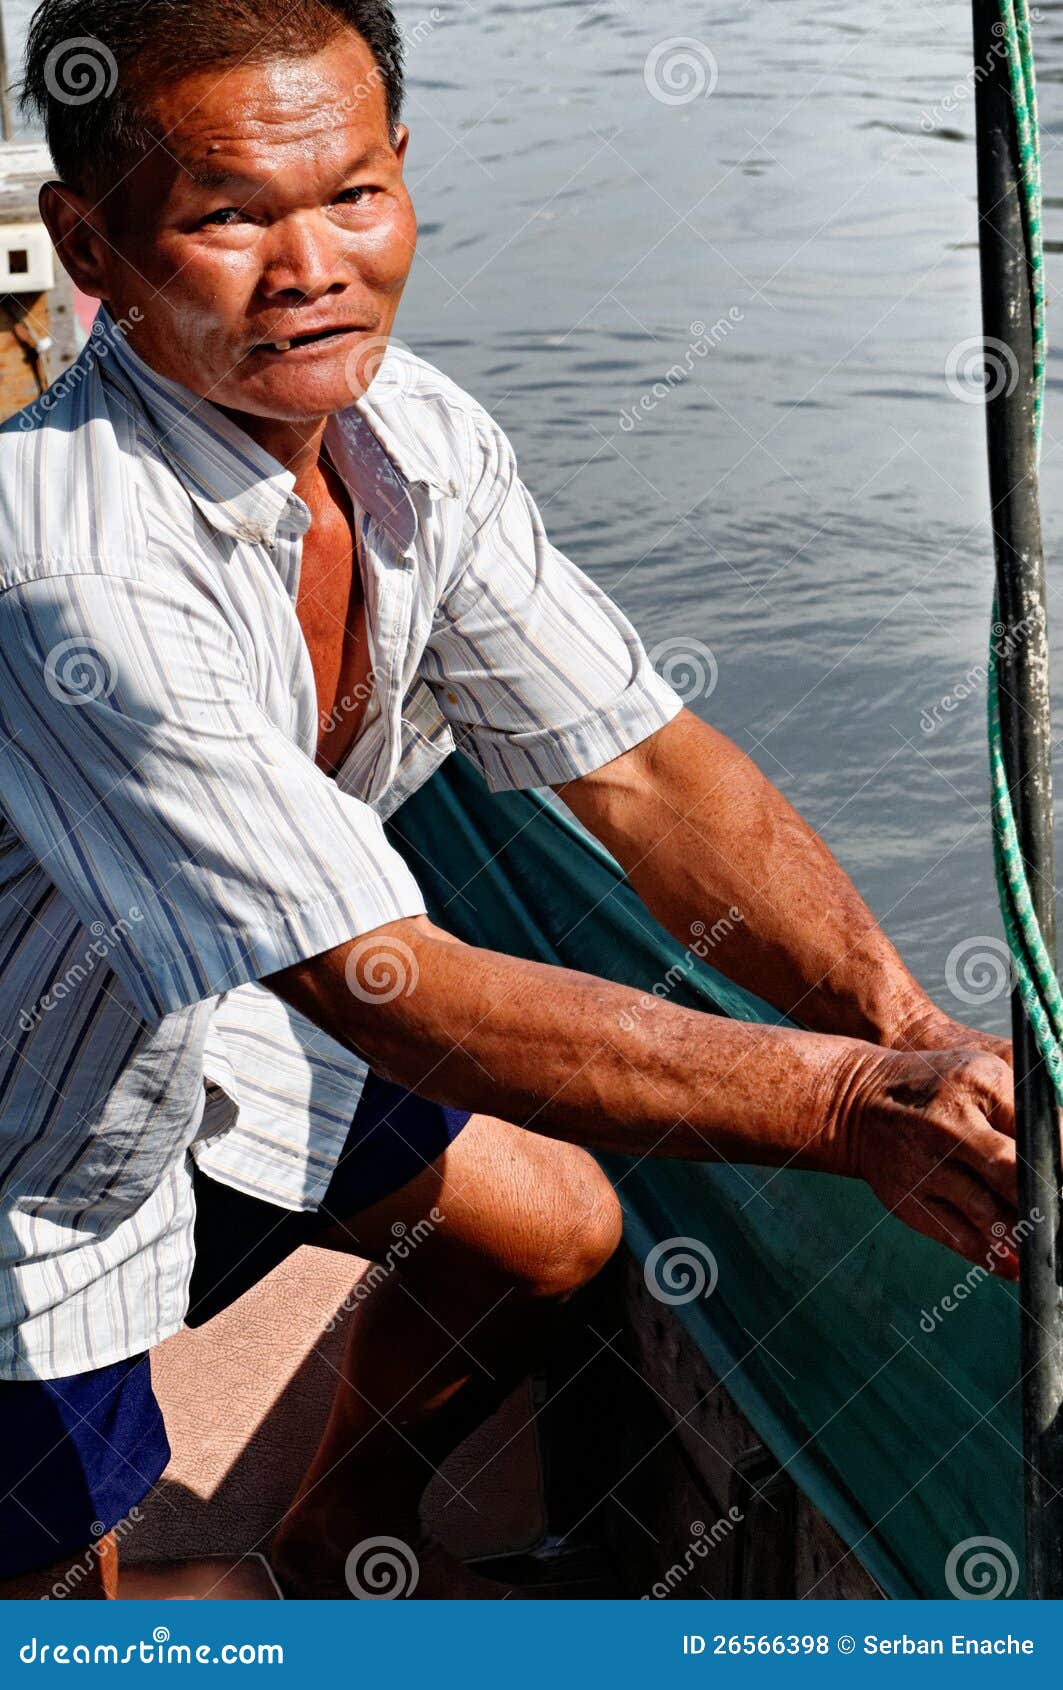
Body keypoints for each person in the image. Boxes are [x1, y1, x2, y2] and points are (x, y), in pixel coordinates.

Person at [0, 0, 1016, 1599]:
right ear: (93, 245)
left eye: (352, 194)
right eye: (225, 219)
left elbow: (647, 770)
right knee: (66, 1591)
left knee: (545, 1230)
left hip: (221, 1037)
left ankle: (336, 1540)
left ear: (405, 171)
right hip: (30, 1138)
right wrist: (841, 1110)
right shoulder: (71, 570)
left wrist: (913, 1033)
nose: (311, 267)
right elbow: (377, 985)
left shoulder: (417, 438)